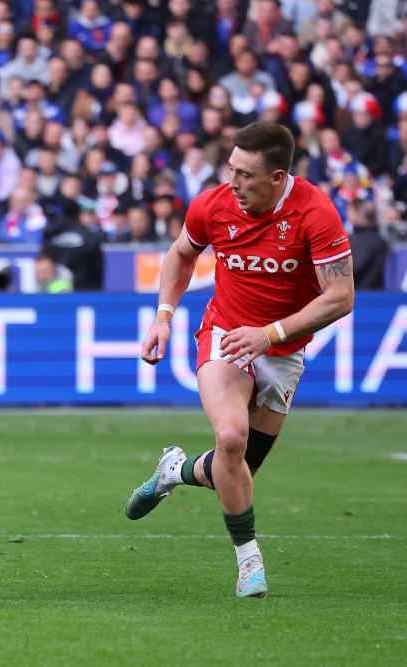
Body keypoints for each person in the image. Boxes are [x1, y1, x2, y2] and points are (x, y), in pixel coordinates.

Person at [128, 122, 355, 598]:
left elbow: (341, 296)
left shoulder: (316, 212)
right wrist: (163, 316)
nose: (233, 183)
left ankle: (175, 469)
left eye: (246, 175)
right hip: (226, 336)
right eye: (230, 169)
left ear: (277, 178)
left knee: (238, 470)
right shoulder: (213, 204)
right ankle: (248, 559)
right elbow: (180, 254)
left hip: (282, 350)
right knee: (231, 439)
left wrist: (270, 334)